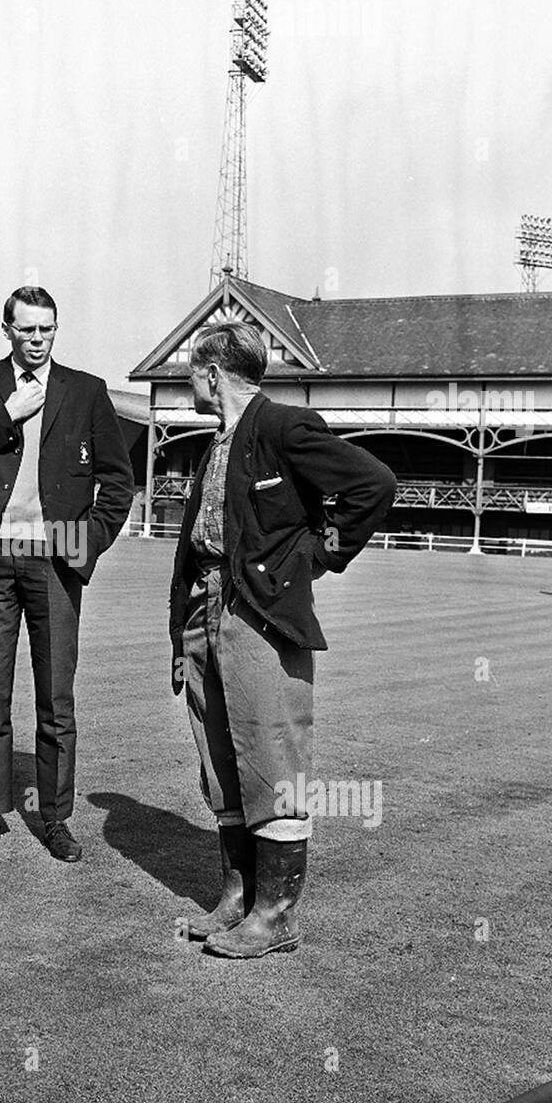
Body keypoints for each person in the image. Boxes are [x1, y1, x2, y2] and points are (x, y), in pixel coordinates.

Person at [170, 320, 396, 956]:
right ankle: (238, 899)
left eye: (191, 371)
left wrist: (315, 556)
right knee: (220, 759)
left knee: (271, 758)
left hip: (260, 615)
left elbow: (372, 484)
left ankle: (276, 915)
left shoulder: (283, 426)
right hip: (203, 608)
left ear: (212, 373)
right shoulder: (220, 440)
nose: (189, 382)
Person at [0, 286, 133, 862]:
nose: (39, 340)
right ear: (7, 329)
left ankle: (56, 818)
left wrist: (86, 543)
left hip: (56, 560)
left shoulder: (87, 391)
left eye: (48, 329)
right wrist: (5, 416)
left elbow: (117, 482)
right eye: (27, 330)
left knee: (56, 701)